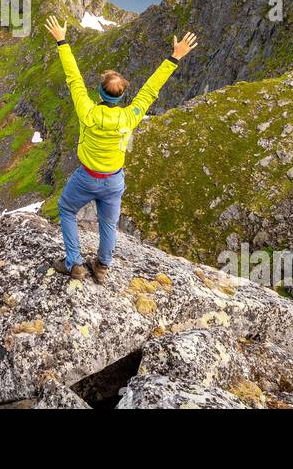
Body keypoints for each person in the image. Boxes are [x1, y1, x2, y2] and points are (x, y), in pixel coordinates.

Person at [42, 16, 197, 283]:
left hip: (86, 177)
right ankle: (101, 267)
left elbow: (73, 78)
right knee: (108, 224)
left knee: (67, 210)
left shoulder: (87, 111)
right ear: (121, 97)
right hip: (114, 180)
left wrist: (62, 40)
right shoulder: (130, 117)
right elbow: (150, 90)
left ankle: (74, 264)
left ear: (100, 94)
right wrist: (174, 57)